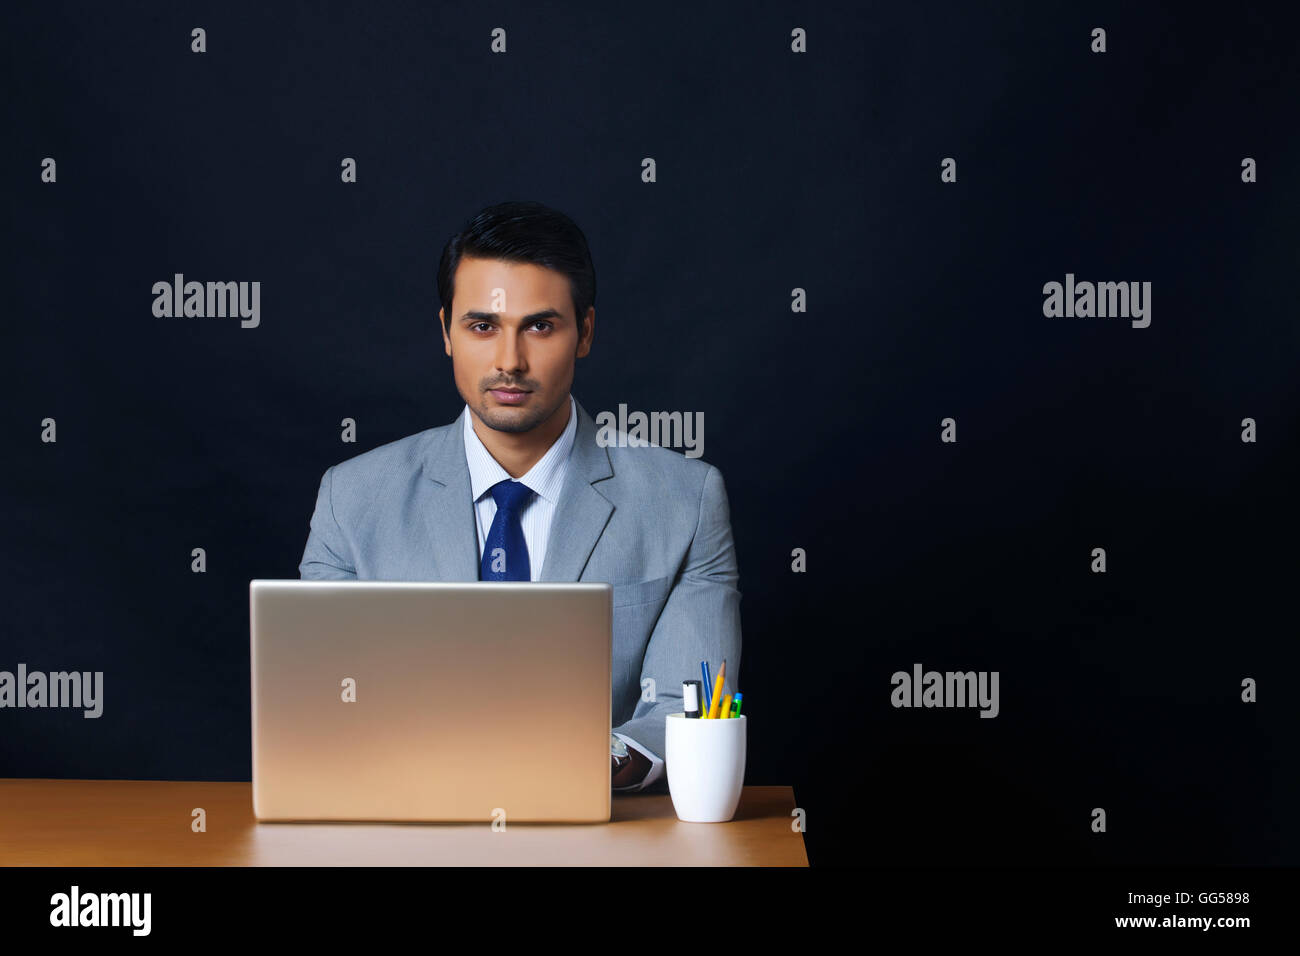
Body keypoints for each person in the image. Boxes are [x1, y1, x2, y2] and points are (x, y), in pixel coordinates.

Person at [299, 200, 742, 792]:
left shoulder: (686, 501)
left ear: (584, 332)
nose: (510, 362)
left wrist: (596, 761)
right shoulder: (350, 500)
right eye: (483, 326)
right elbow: (323, 706)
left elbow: (688, 711)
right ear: (446, 333)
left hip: (600, 836)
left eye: (539, 325)